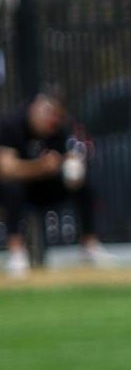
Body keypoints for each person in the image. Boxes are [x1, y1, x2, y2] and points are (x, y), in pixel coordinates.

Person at [0, 87, 115, 276]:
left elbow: (69, 155)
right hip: (14, 188)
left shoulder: (58, 130)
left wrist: (72, 168)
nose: (51, 121)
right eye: (48, 114)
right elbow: (6, 169)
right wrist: (39, 167)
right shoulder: (11, 124)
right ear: (36, 108)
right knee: (13, 188)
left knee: (84, 184)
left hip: (44, 188)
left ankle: (89, 245)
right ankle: (17, 252)